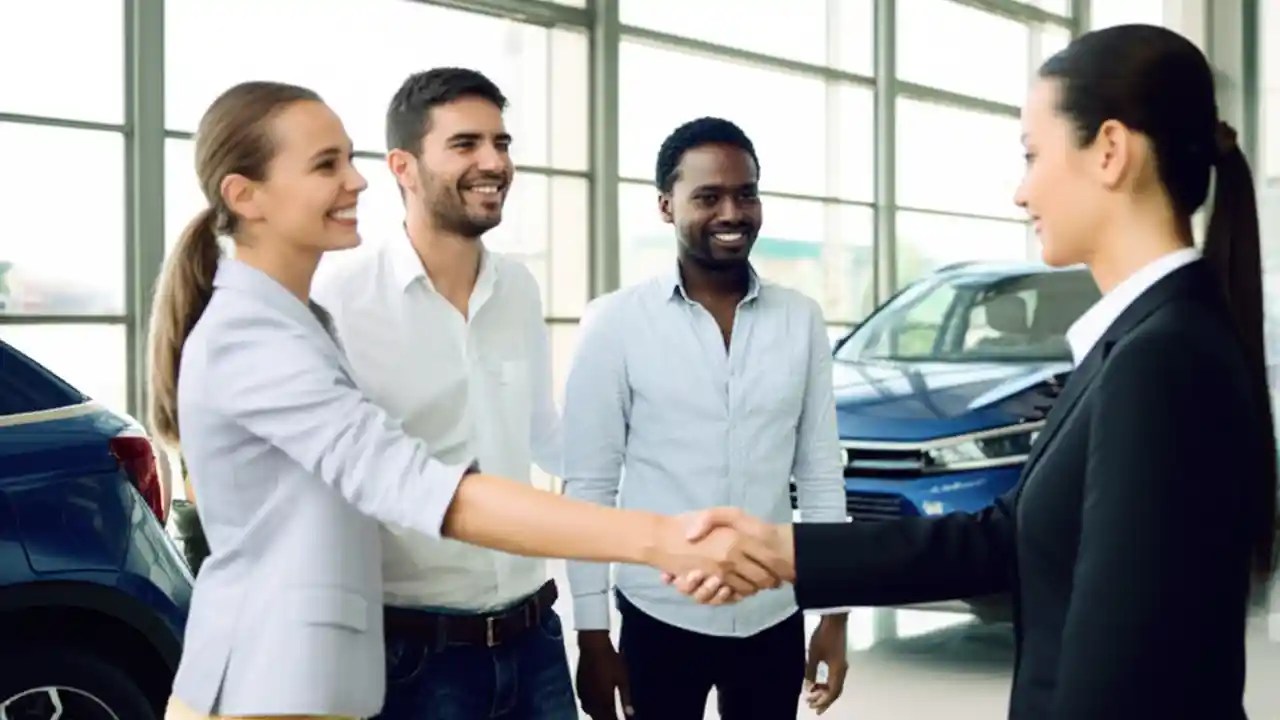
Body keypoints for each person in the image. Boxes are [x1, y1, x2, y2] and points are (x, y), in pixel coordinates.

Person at [671, 24, 1279, 720]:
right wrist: (783, 551)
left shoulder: (1161, 361)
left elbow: (1123, 679)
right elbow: (1003, 537)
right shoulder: (1146, 342)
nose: (1021, 192)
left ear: (1110, 152)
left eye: (1032, 155)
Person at [146, 81, 789, 720]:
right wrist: (661, 539)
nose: (357, 181)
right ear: (245, 195)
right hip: (295, 675)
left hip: (478, 643)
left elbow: (545, 441)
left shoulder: (299, 320)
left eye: (500, 143)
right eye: (326, 165)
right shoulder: (263, 334)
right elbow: (419, 486)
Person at [563, 117, 850, 720]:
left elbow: (821, 472)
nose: (732, 213)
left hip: (773, 614)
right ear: (666, 206)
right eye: (708, 197)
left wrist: (834, 615)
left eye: (746, 194)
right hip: (659, 616)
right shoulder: (616, 323)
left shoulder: (800, 319)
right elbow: (589, 487)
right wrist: (592, 634)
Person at [311, 68, 574, 719]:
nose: (494, 162)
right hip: (415, 660)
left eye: (501, 142)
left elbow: (542, 435)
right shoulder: (338, 301)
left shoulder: (519, 289)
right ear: (403, 167)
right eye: (465, 144)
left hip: (537, 641)